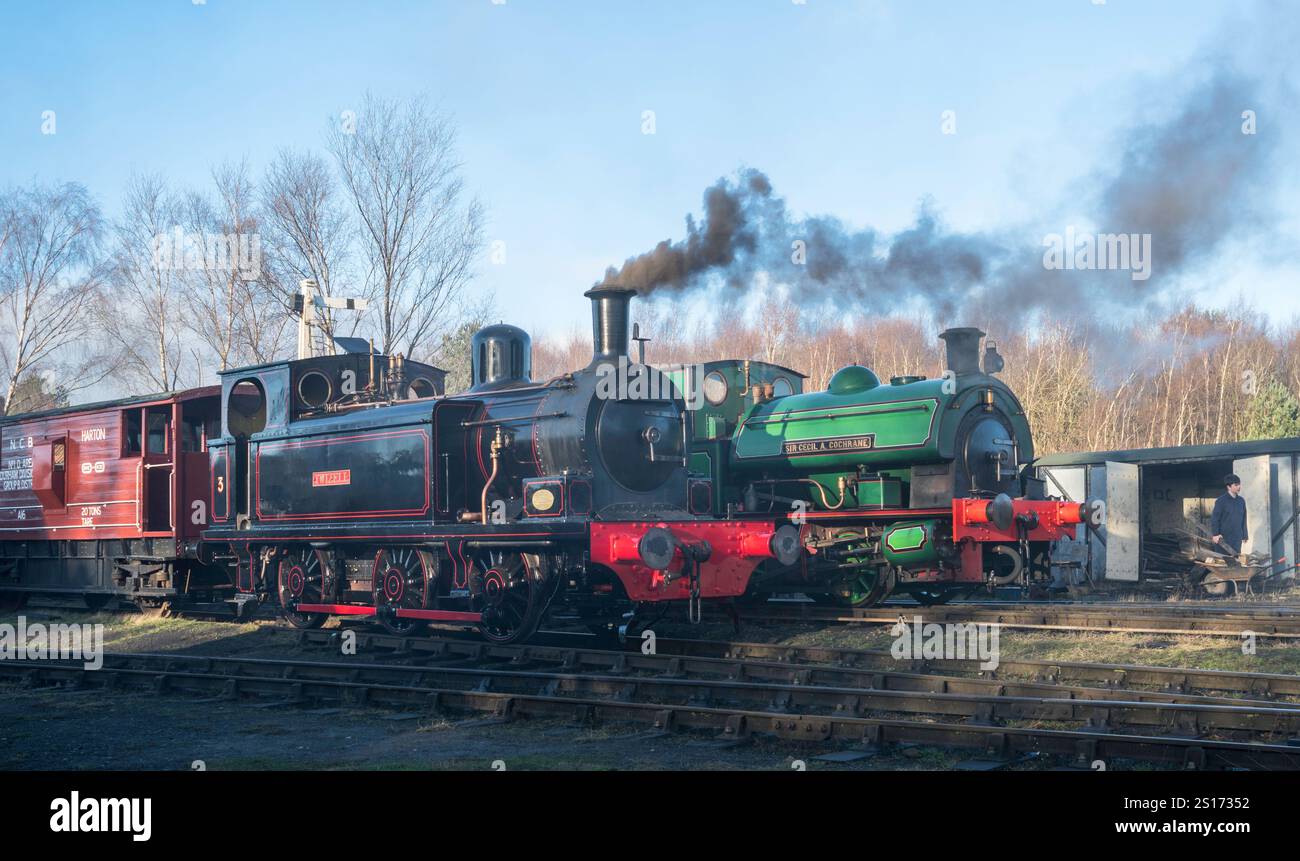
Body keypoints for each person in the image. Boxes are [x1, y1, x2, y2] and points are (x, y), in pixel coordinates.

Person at [1210, 474, 1248, 556]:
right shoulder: (1221, 501)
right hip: (1223, 538)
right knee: (1223, 562)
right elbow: (1215, 518)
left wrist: (1245, 534)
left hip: (1237, 538)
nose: (1239, 487)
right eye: (1236, 485)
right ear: (1229, 487)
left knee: (1236, 561)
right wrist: (1215, 534)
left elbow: (1244, 518)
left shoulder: (1241, 501)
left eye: (1239, 484)